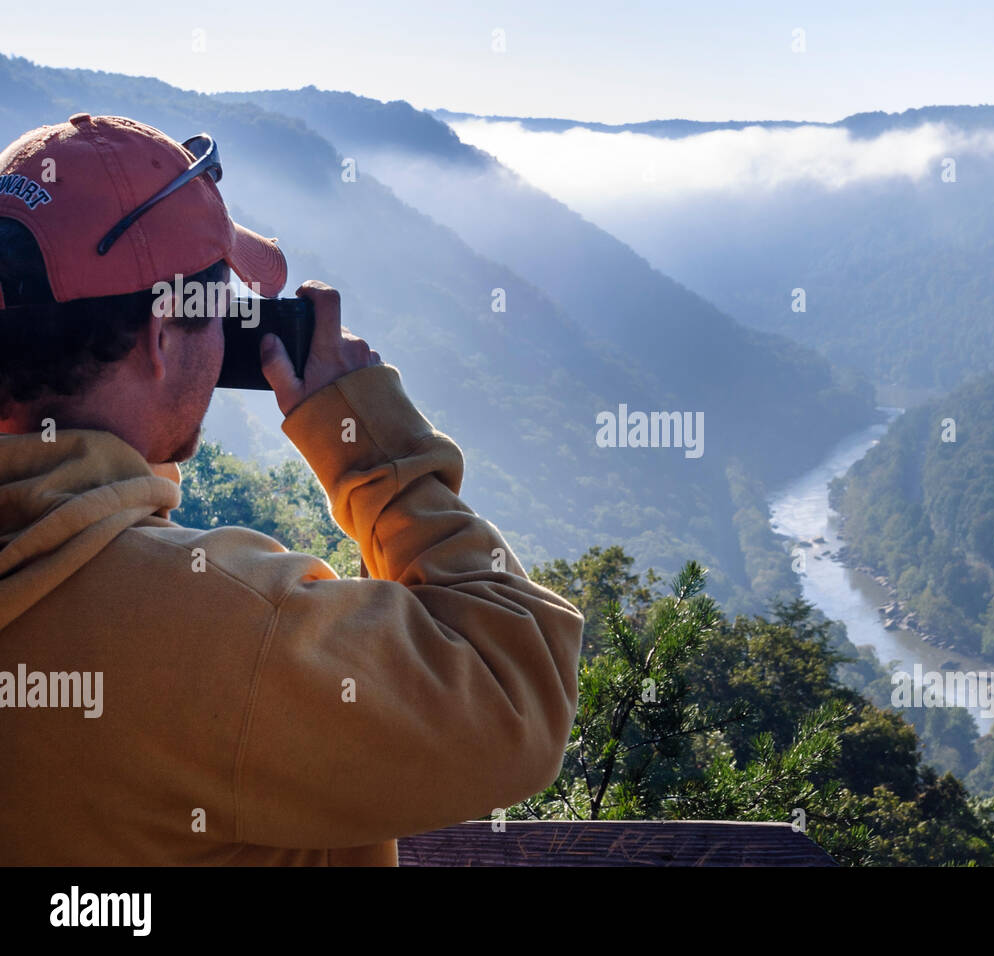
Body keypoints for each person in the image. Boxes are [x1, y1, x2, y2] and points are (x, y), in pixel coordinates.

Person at [0, 114, 584, 865]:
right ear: (159, 337)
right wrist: (369, 444)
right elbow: (519, 688)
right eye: (218, 312)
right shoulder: (225, 632)